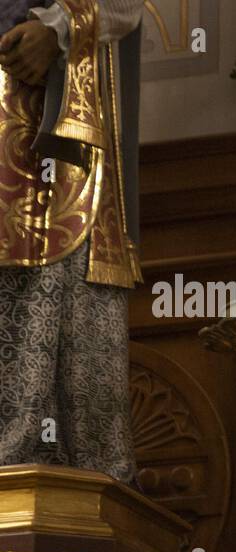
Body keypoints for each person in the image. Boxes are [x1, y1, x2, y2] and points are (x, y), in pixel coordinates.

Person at [0, 1, 144, 483]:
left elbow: (125, 7)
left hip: (61, 152)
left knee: (67, 304)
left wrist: (57, 28)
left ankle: (61, 485)